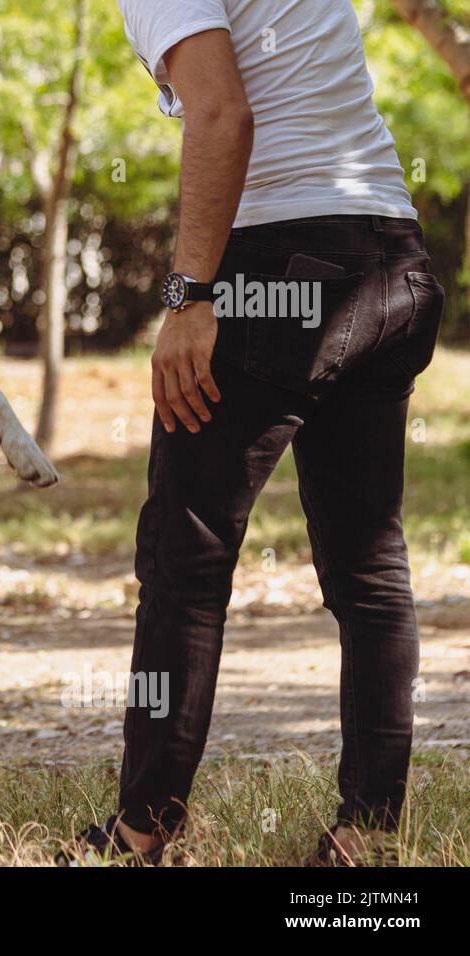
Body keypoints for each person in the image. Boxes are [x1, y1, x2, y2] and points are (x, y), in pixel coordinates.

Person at [69, 0, 445, 866]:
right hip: (389, 255)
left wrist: (190, 295)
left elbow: (221, 114)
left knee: (184, 560)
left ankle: (142, 830)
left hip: (281, 263)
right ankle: (371, 831)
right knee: (370, 564)